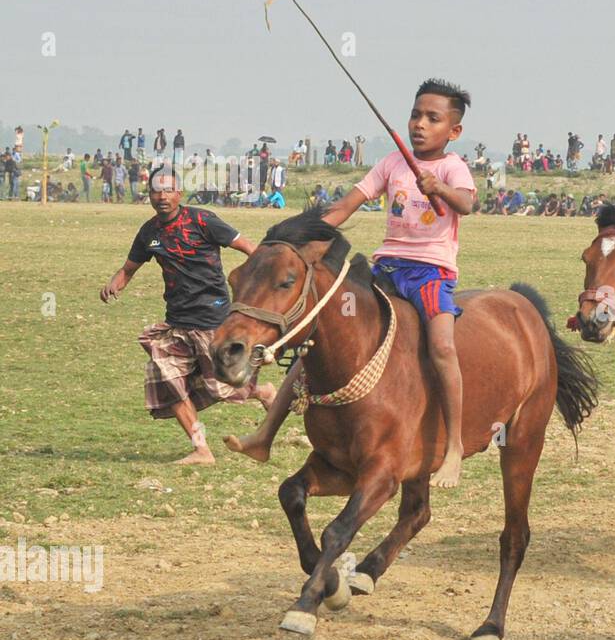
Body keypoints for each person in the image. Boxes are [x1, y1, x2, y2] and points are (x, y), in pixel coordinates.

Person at [229, 78, 476, 490]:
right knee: (313, 337)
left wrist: (440, 188)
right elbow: (346, 206)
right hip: (386, 268)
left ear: (453, 131)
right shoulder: (392, 164)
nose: (420, 124)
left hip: (431, 273)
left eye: (432, 119)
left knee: (443, 346)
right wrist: (297, 241)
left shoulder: (453, 167)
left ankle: (452, 448)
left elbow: (467, 204)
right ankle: (264, 435)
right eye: (416, 114)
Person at [99, 165, 275, 465]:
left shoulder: (202, 220)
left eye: (168, 190)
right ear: (149, 195)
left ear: (179, 193)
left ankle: (263, 392)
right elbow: (129, 269)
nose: (162, 196)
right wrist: (116, 282)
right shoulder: (149, 232)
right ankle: (201, 449)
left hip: (213, 322)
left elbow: (250, 249)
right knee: (169, 383)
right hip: (177, 324)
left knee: (222, 388)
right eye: (156, 191)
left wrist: (262, 284)